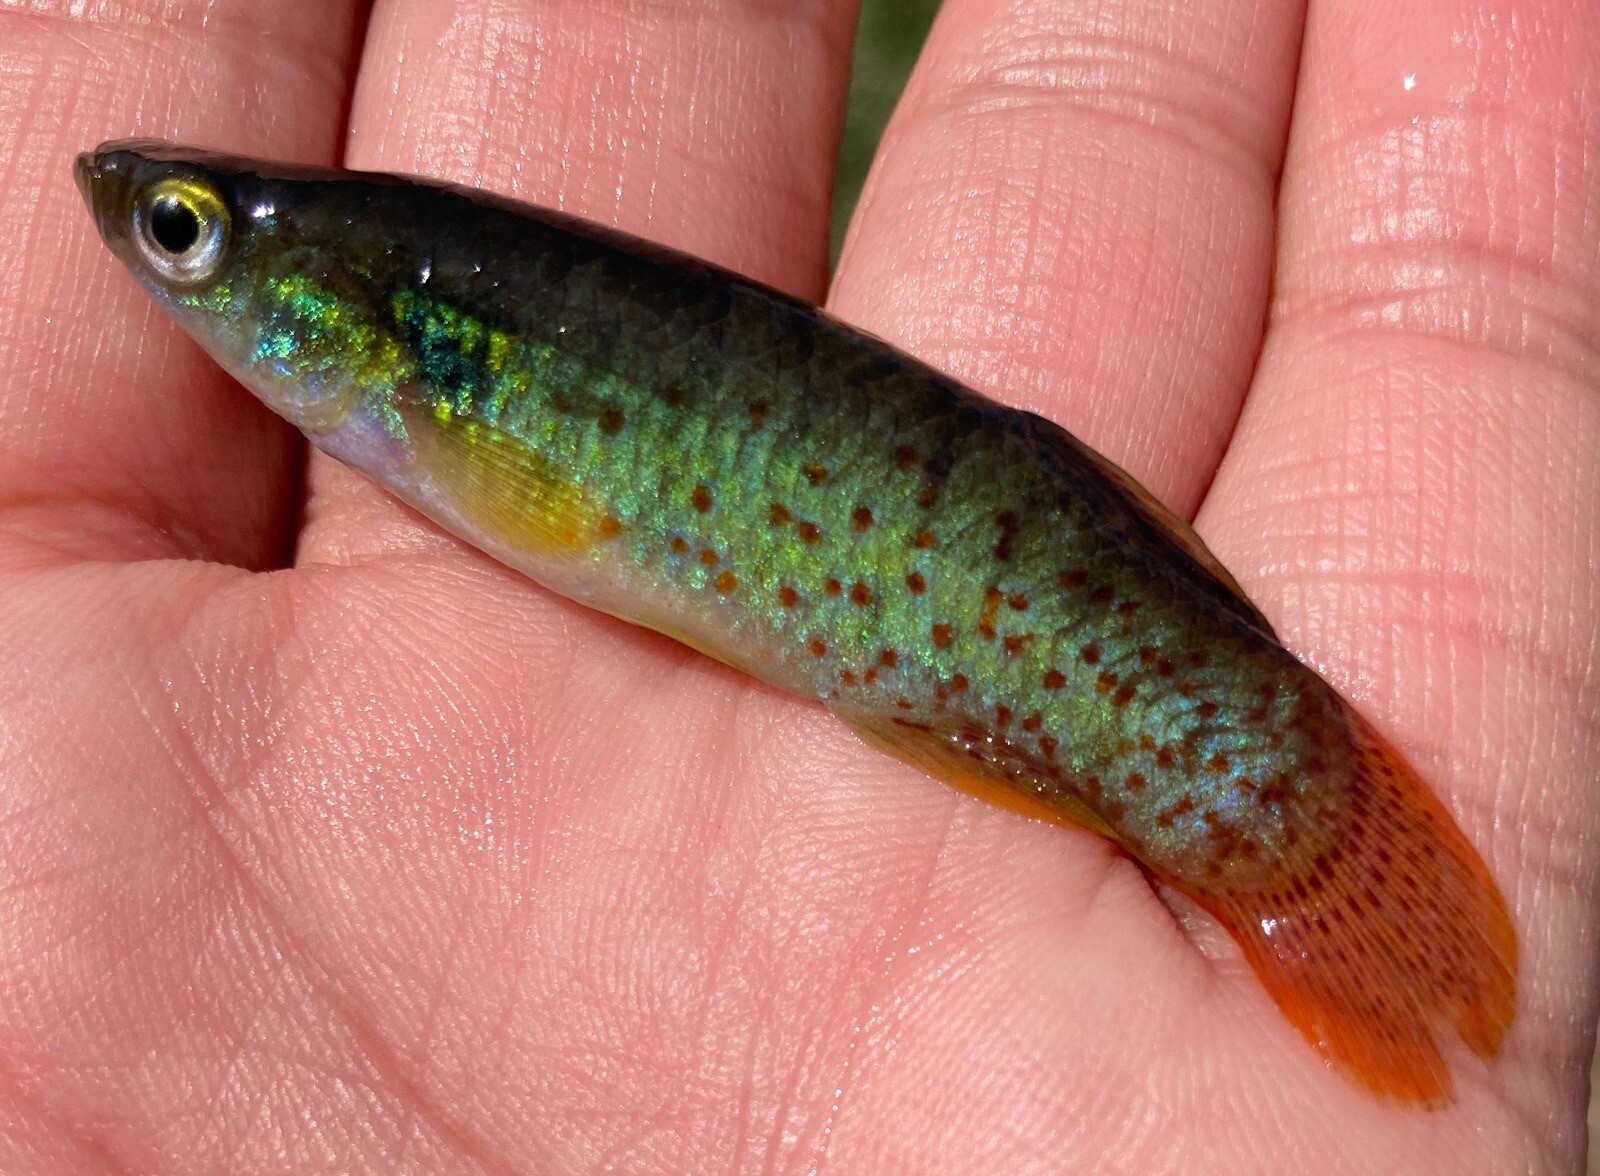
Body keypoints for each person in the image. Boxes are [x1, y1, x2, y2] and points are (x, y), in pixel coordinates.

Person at [1, 0, 1594, 1171]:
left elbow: (546, 505)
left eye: (183, 234)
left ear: (345, 320)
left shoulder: (412, 364)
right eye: (180, 230)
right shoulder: (394, 363)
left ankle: (1287, 825)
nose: (156, 245)